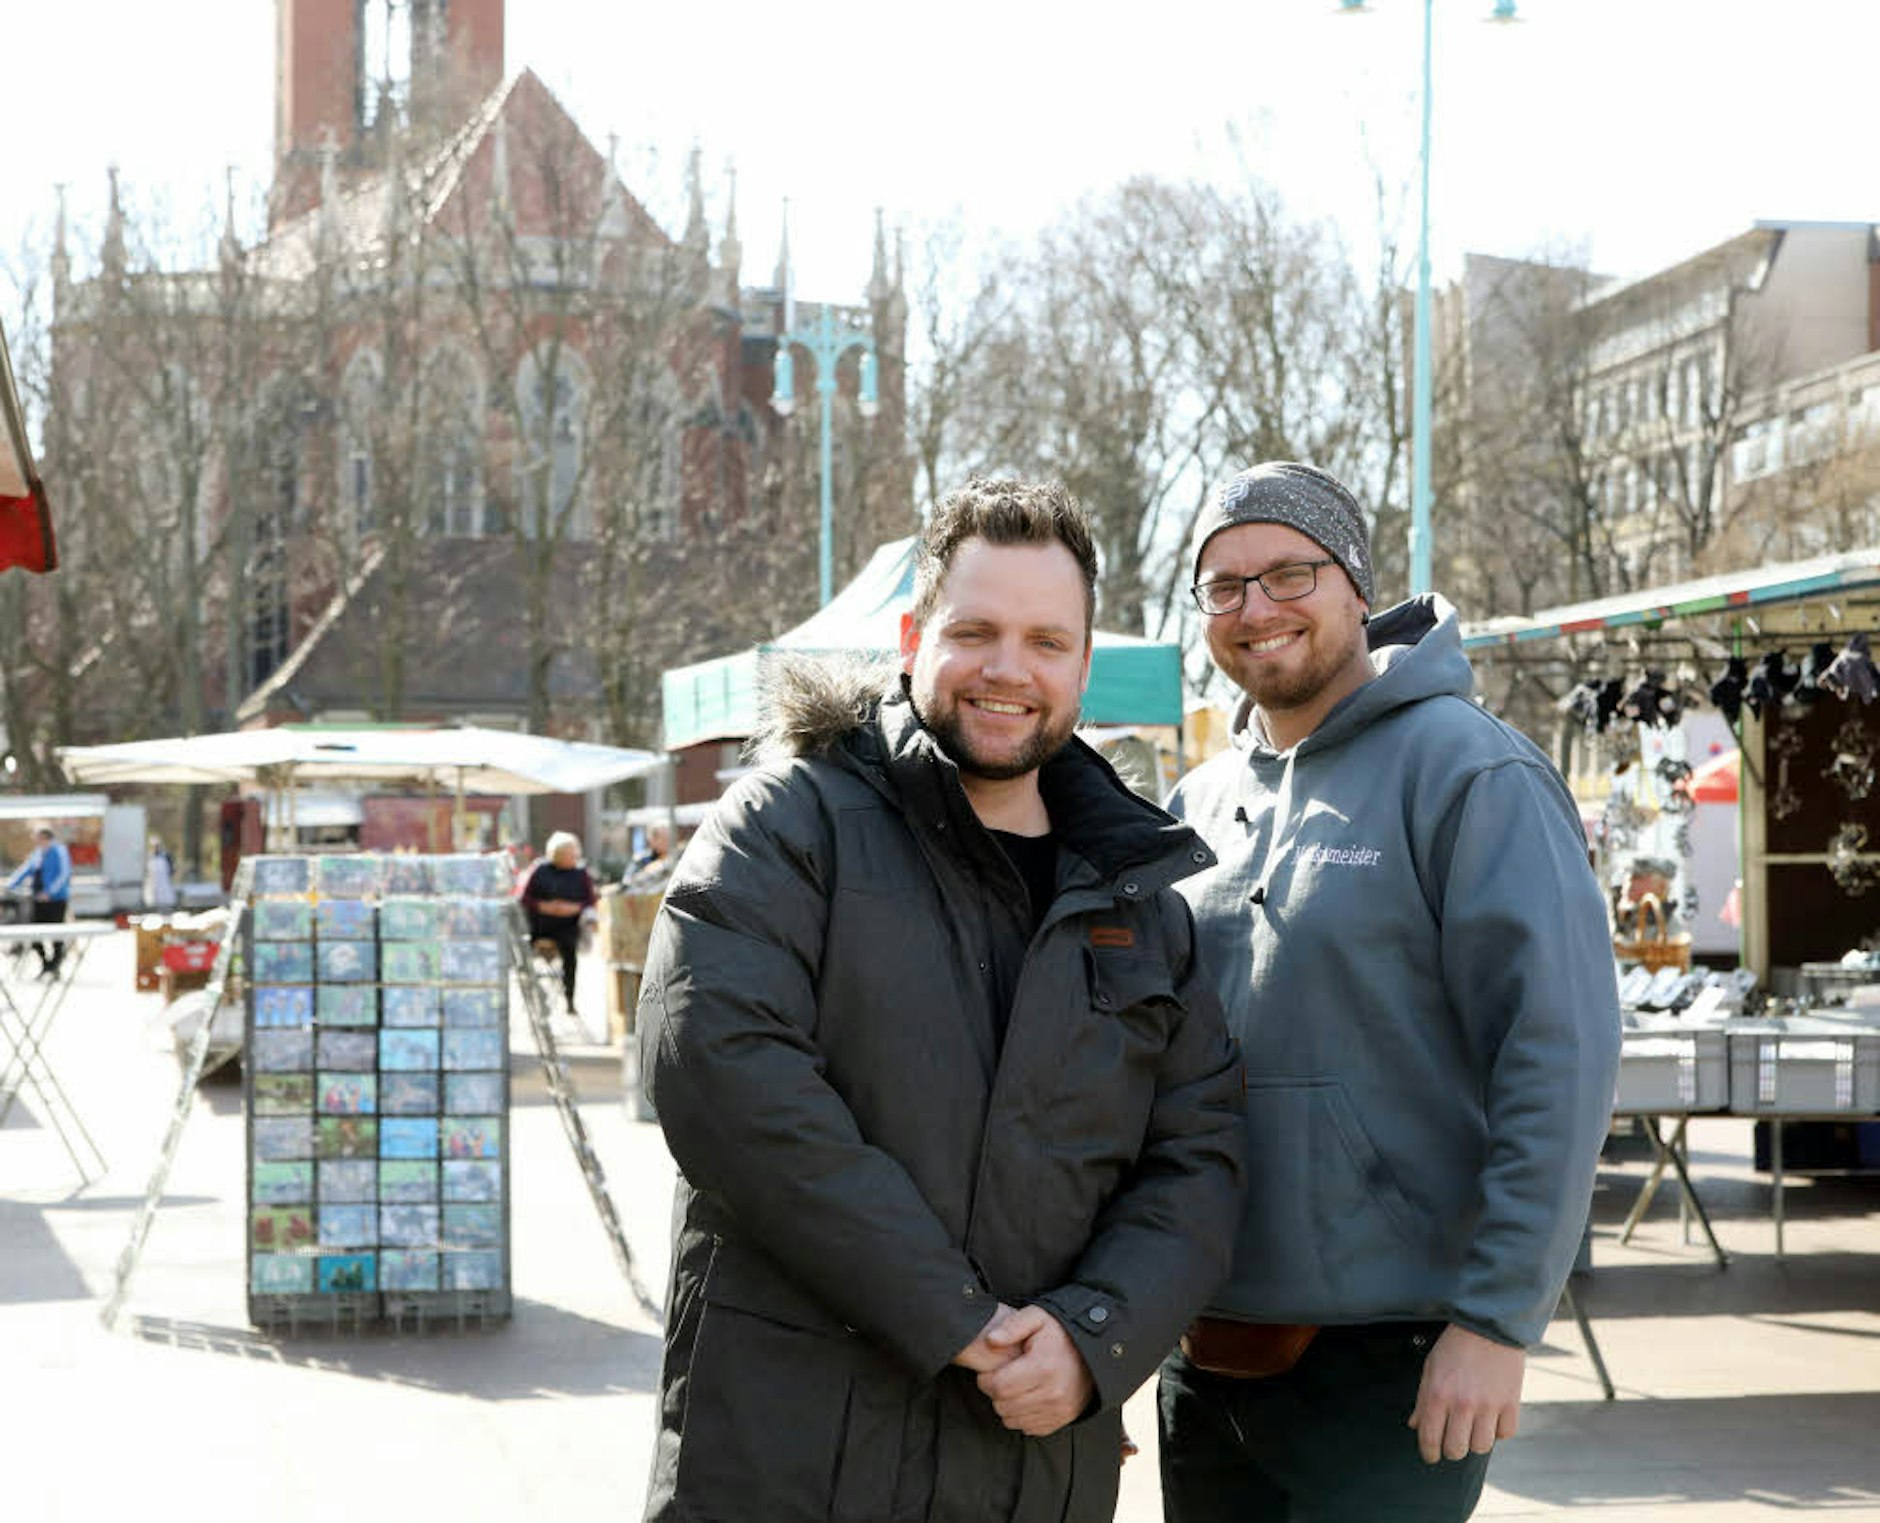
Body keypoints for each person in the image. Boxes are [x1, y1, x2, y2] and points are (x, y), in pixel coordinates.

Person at [637, 477, 1246, 1523]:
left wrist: (1094, 1336)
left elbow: (1201, 1155)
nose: (1008, 668)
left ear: (1082, 668)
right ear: (914, 638)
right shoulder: (789, 825)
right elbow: (720, 1070)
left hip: (1034, 1470)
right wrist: (955, 1315)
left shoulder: (1143, 905)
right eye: (975, 631)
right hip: (790, 1466)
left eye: (1046, 641)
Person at [1158, 461, 1621, 1522]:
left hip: (1393, 1357)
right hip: (1204, 1350)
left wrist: (1497, 1320)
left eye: (1289, 573)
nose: (1255, 608)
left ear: (1356, 585)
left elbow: (1556, 1056)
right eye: (1223, 585)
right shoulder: (1195, 802)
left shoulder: (1470, 774)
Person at [515, 831, 596, 1014]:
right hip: (541, 925)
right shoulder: (540, 870)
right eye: (568, 855)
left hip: (568, 926)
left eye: (574, 854)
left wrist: (573, 908)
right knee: (526, 951)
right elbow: (524, 898)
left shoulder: (580, 873)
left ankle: (569, 999)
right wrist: (544, 906)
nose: (573, 858)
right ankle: (536, 997)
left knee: (570, 953)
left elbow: (590, 901)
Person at [7, 825, 74, 979]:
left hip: (56, 900)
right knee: (34, 934)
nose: (36, 842)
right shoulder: (38, 853)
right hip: (38, 899)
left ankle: (54, 966)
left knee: (56, 934)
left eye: (38, 838)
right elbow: (26, 870)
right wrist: (11, 884)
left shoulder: (59, 851)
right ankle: (46, 964)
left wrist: (49, 892)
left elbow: (64, 874)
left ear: (45, 838)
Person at [144, 836, 178, 912]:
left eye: (157, 846)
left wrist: (171, 877)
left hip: (165, 886)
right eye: (153, 846)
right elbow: (146, 872)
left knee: (166, 904)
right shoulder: (148, 857)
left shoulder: (166, 856)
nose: (155, 848)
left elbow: (173, 869)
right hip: (152, 886)